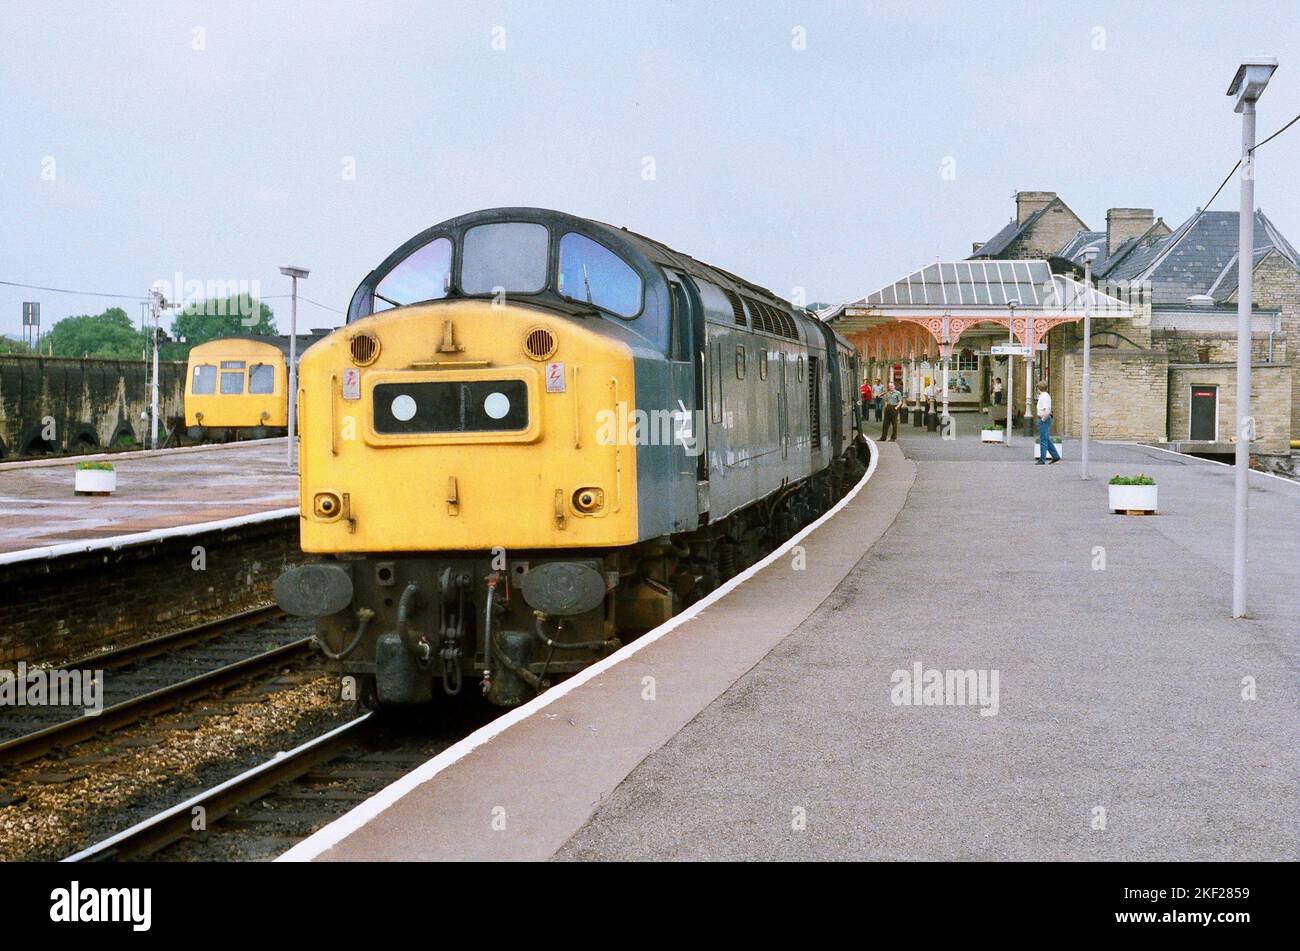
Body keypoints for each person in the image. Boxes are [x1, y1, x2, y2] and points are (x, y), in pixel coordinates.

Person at [1035, 380, 1060, 465]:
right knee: (1047, 439)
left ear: (1039, 388)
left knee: (1043, 439)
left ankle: (1042, 459)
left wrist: (1042, 419)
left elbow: (1047, 410)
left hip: (1044, 419)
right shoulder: (1044, 396)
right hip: (1044, 418)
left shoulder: (1044, 397)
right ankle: (1055, 456)